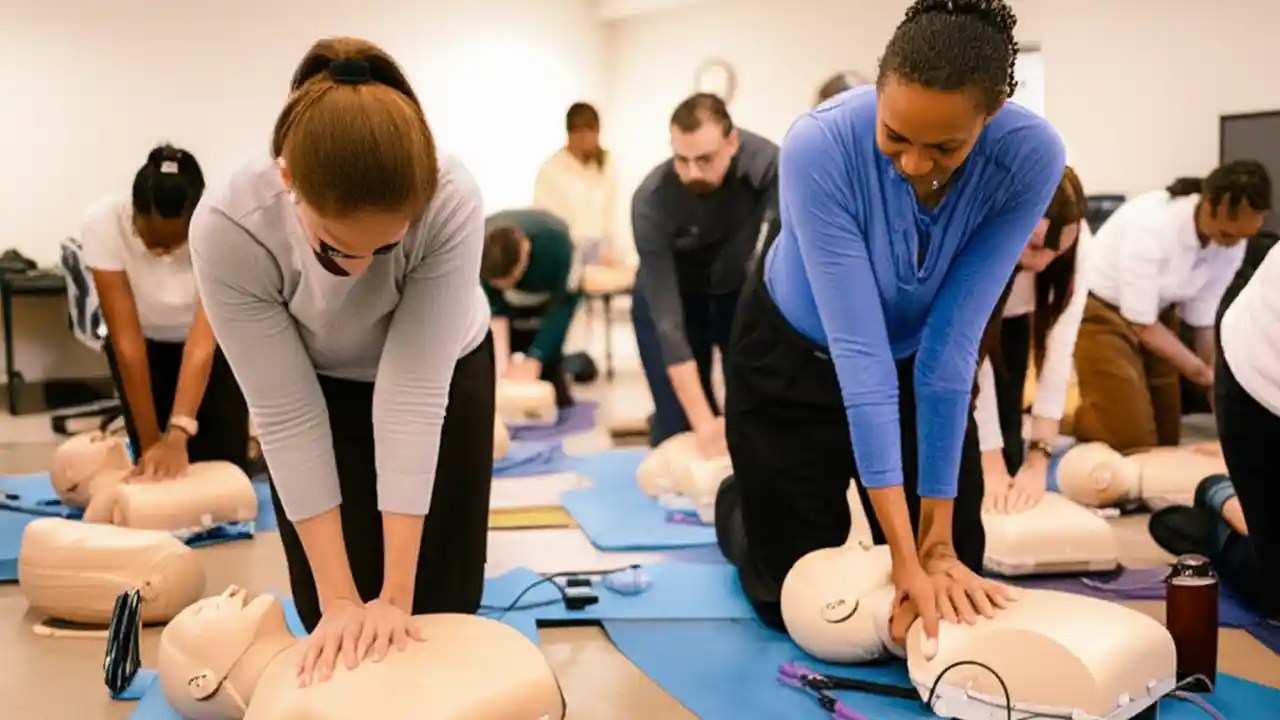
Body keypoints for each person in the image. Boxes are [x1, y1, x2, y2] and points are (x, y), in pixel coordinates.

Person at [714, 0, 1065, 640]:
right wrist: (903, 559)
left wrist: (933, 549)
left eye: (945, 147)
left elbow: (952, 346)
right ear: (877, 95)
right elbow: (861, 355)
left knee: (960, 574)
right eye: (895, 137)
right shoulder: (819, 145)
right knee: (789, 595)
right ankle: (736, 503)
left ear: (989, 120)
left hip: (914, 359)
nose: (913, 163)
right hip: (790, 352)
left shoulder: (1031, 156)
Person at [190, 38, 494, 685]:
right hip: (319, 379)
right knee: (327, 612)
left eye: (385, 249)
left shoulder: (452, 196)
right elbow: (285, 412)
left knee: (441, 601)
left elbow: (412, 395)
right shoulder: (228, 227)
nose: (358, 271)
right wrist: (341, 600)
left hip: (444, 369)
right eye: (334, 251)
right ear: (288, 180)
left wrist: (396, 599)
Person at [1072, 161, 1271, 451]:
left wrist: (1215, 385)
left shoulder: (1232, 243)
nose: (1232, 245)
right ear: (1207, 205)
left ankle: (1108, 405)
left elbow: (1202, 320)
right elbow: (1141, 322)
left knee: (1166, 439)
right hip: (1101, 311)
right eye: (1227, 235)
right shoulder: (1152, 225)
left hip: (1160, 316)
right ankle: (1083, 418)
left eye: (1241, 237)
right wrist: (1197, 371)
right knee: (1133, 440)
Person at [83, 145, 250, 479]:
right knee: (153, 466)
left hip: (213, 351)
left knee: (224, 468)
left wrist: (178, 433)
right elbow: (127, 345)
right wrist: (149, 444)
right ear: (135, 213)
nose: (163, 251)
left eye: (174, 242)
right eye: (152, 240)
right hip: (146, 348)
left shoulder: (224, 229)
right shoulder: (103, 224)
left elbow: (202, 344)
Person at [631, 93, 779, 453]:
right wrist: (702, 424)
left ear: (732, 142)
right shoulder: (651, 201)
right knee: (682, 427)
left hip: (735, 289)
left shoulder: (770, 168)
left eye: (705, 159)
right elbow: (669, 325)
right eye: (682, 159)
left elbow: (777, 268)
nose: (692, 172)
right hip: (672, 297)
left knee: (750, 411)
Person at [977, 167, 1089, 514]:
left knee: (1013, 452)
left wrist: (1038, 458)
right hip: (967, 338)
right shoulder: (980, 237)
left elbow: (1057, 359)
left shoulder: (1081, 246)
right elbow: (973, 364)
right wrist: (989, 462)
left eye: (1056, 252)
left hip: (1017, 321)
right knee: (978, 466)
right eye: (1035, 246)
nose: (1043, 262)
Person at [482, 208, 582, 407]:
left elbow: (562, 309)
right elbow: (494, 312)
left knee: (557, 397)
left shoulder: (557, 244)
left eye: (511, 280)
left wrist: (536, 357)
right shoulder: (478, 244)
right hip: (505, 312)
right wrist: (501, 366)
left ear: (525, 251)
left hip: (546, 307)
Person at [533, 102, 618, 266]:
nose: (590, 140)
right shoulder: (552, 169)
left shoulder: (606, 164)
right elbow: (546, 219)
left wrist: (608, 248)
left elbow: (610, 210)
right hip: (567, 251)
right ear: (572, 134)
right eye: (584, 133)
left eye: (594, 132)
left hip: (601, 251)